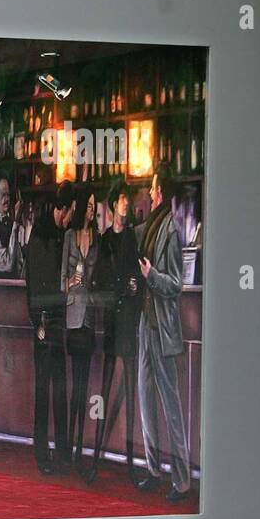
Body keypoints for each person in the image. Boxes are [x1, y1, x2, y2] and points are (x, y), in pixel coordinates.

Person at [134, 170, 193, 503]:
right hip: (147, 323)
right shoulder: (153, 225)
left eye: (154, 186)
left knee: (170, 406)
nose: (150, 190)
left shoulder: (170, 230)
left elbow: (176, 284)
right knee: (146, 399)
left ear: (162, 192)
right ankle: (153, 470)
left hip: (163, 327)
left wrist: (150, 275)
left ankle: (182, 482)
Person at [87, 182, 143, 483]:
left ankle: (133, 464)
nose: (126, 204)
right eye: (122, 199)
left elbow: (137, 277)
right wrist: (121, 290)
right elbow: (96, 282)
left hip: (127, 323)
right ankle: (95, 458)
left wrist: (134, 286)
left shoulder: (131, 238)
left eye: (127, 199)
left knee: (130, 394)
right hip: (112, 323)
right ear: (114, 206)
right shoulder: (106, 239)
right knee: (106, 391)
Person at [25, 182, 74, 474]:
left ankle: (55, 453)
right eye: (70, 213)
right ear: (62, 210)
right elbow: (37, 286)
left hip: (50, 322)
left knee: (55, 390)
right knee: (48, 391)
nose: (71, 219)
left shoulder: (48, 233)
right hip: (46, 323)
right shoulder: (45, 236)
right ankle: (46, 455)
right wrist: (39, 324)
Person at [62, 185, 99, 466]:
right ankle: (71, 445)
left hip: (89, 318)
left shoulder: (96, 238)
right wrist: (70, 282)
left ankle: (78, 450)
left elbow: (99, 278)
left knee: (84, 386)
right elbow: (60, 281)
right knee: (73, 385)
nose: (91, 210)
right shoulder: (68, 237)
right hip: (73, 317)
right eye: (88, 205)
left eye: (93, 206)